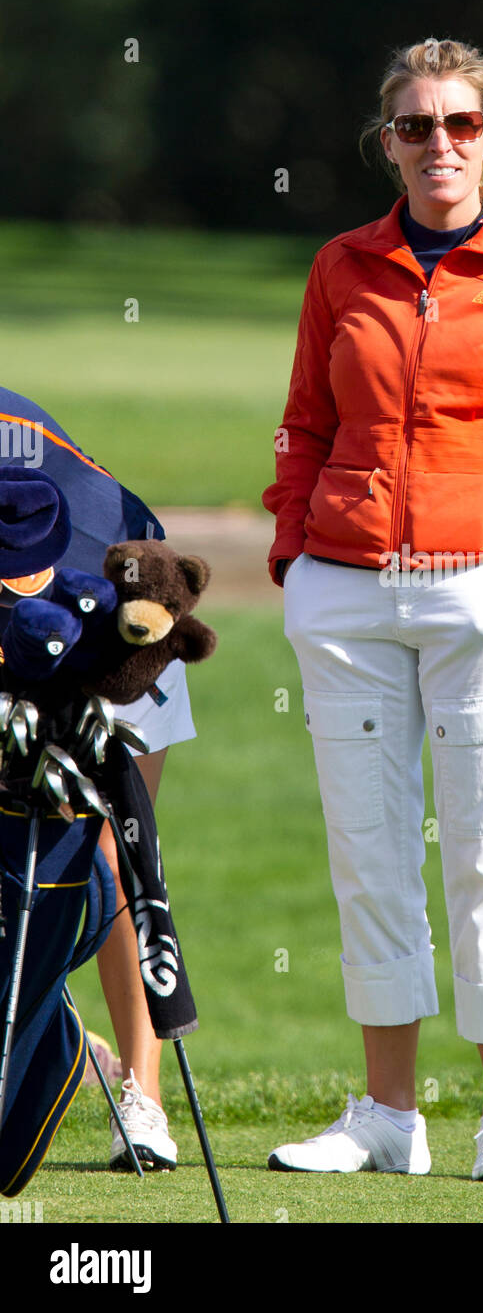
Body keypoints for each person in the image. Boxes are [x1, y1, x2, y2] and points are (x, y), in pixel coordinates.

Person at [262, 37, 483, 1181]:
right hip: (345, 587)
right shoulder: (340, 267)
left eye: (459, 123)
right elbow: (304, 422)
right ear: (388, 142)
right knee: (368, 853)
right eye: (415, 126)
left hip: (482, 592)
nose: (439, 144)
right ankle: (385, 1115)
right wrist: (290, 548)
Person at [0, 389, 196, 1171]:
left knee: (112, 843)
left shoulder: (37, 460)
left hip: (124, 619)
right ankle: (55, 1035)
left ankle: (141, 1098)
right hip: (30, 612)